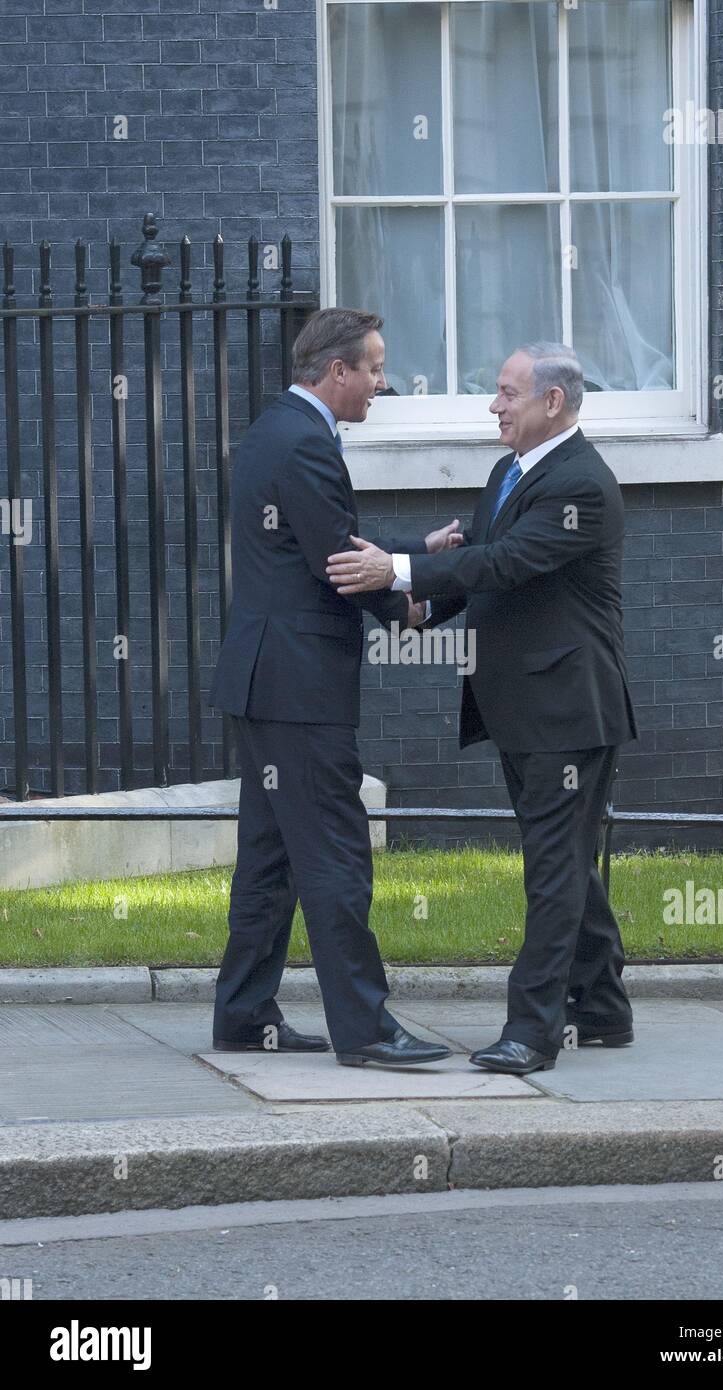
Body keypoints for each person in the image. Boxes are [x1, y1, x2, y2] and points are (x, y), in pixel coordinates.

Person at [326, 342, 638, 1075]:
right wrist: (414, 608)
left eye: (505, 392)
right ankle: (601, 1010)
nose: (493, 405)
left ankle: (532, 1032)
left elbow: (508, 562)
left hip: (568, 710)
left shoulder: (580, 485)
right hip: (524, 707)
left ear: (551, 402)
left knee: (554, 870)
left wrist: (396, 566)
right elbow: (480, 568)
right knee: (564, 863)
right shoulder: (510, 472)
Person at [209, 308, 460, 1068]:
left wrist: (417, 548)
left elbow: (319, 540)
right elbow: (340, 565)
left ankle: (246, 1015)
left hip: (261, 682)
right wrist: (409, 605)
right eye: (375, 369)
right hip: (301, 689)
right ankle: (367, 1030)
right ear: (336, 370)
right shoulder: (310, 442)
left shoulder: (273, 429)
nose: (382, 383)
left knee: (270, 858)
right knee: (336, 858)